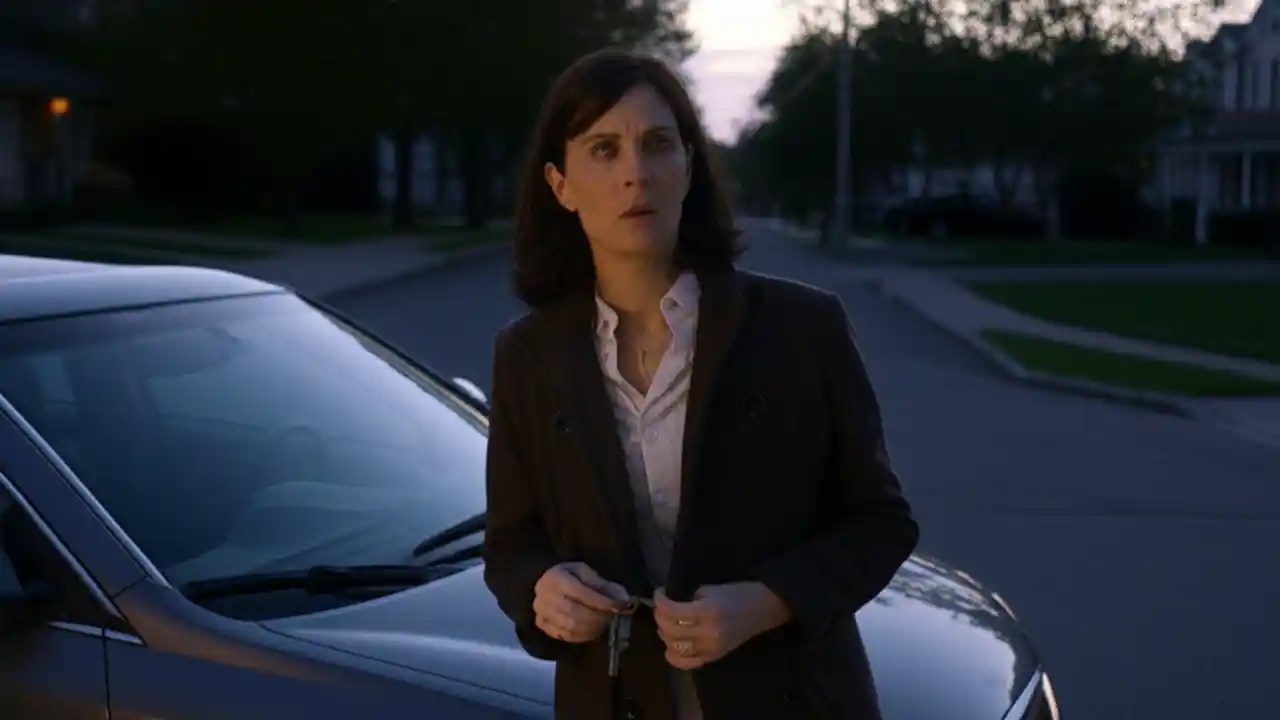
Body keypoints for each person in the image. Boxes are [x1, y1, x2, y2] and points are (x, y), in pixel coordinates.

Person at [483, 47, 919, 720]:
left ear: (688, 166)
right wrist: (542, 590)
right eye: (603, 149)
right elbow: (510, 547)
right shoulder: (527, 356)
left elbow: (879, 523)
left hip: (791, 700)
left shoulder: (801, 329)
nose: (636, 173)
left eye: (658, 144)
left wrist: (766, 602)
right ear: (560, 184)